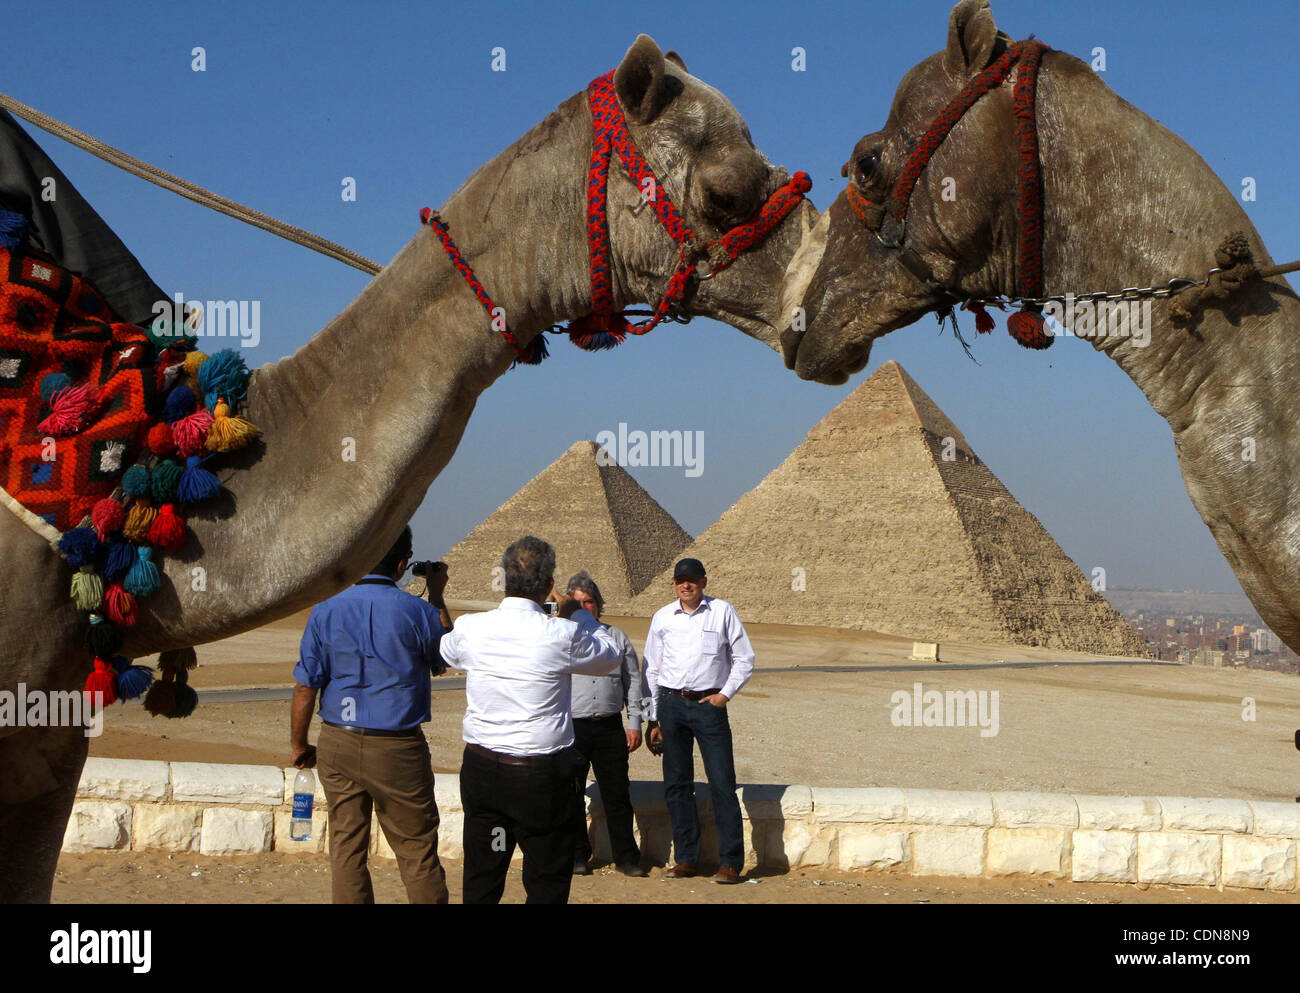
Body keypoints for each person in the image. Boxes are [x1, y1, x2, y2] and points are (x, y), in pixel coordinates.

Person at [439, 536, 621, 904]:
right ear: (549, 586)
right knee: (545, 881)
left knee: (483, 876)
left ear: (503, 580)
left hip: (483, 772)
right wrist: (577, 612)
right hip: (539, 779)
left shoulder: (472, 628)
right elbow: (611, 655)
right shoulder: (563, 633)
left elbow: (446, 651)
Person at [290, 525, 451, 905]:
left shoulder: (325, 610)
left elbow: (305, 687)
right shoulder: (420, 612)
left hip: (337, 741)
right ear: (400, 565)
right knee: (416, 853)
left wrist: (299, 744)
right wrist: (438, 594)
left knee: (346, 850)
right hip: (397, 748)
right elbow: (446, 657)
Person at [644, 558, 755, 884]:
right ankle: (686, 859)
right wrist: (653, 718)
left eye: (692, 579)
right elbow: (651, 668)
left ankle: (730, 862)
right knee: (677, 785)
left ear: (704, 582)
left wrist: (724, 695)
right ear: (674, 583)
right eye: (680, 580)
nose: (686, 585)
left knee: (722, 782)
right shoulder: (662, 617)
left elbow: (744, 658)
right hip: (671, 705)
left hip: (709, 705)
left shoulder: (722, 611)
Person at [564, 570, 649, 878]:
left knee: (617, 794)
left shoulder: (616, 637)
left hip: (610, 727)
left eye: (590, 602)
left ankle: (626, 857)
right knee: (570, 795)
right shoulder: (560, 637)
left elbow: (633, 681)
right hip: (572, 727)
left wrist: (635, 723)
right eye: (577, 604)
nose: (585, 609)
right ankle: (577, 856)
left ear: (599, 605)